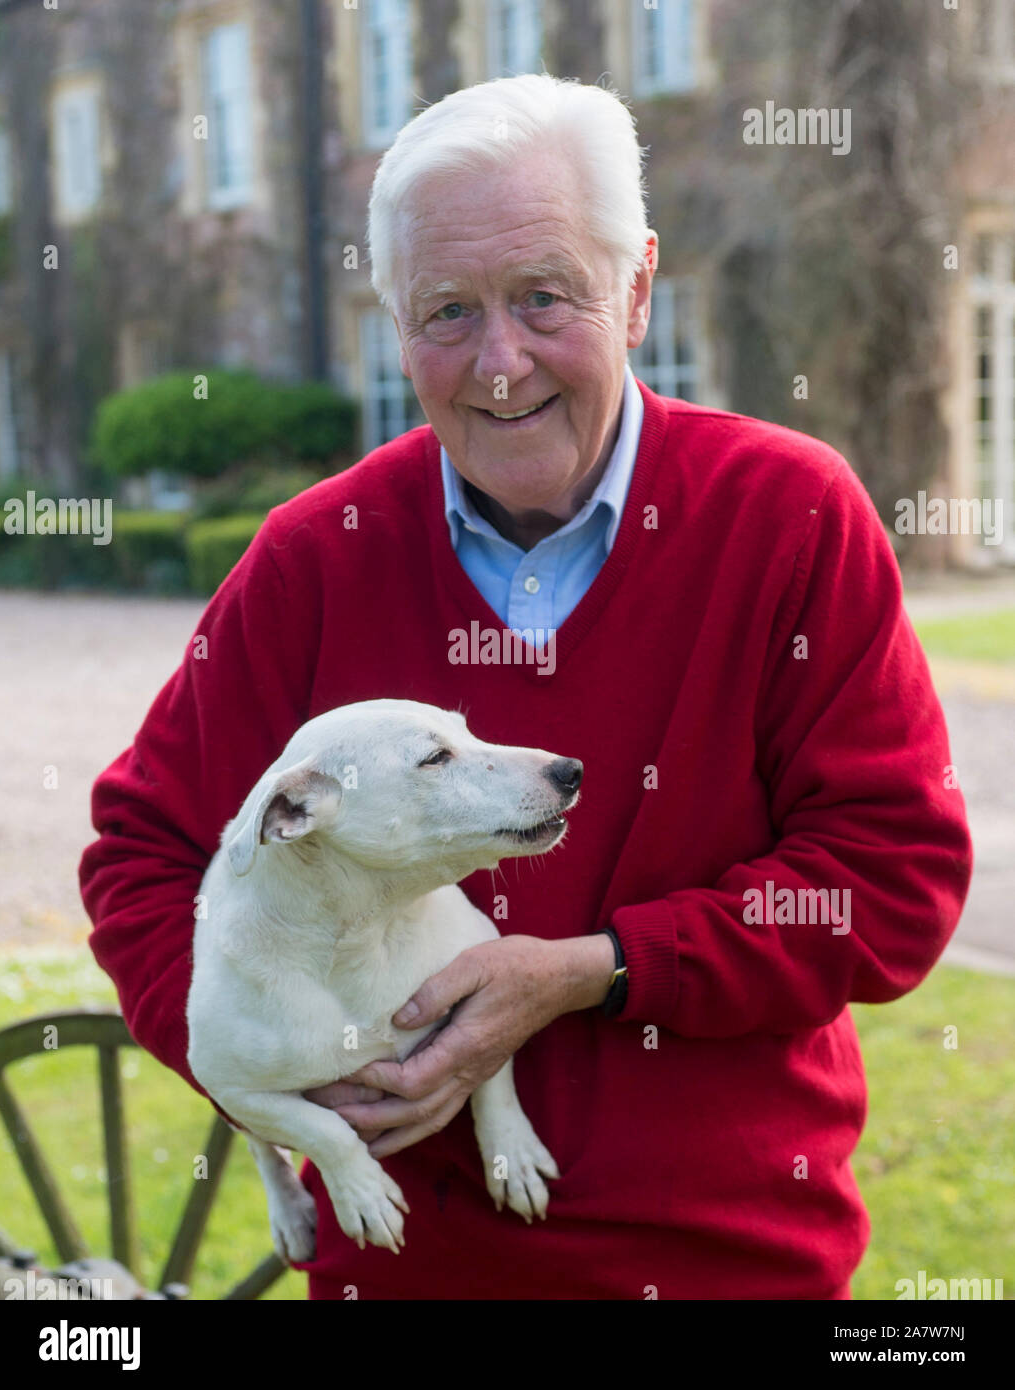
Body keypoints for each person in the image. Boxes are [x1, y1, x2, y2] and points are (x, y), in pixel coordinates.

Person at [80, 73, 973, 1300]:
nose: (500, 363)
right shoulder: (313, 559)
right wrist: (263, 1060)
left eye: (545, 297)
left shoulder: (791, 520)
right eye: (446, 311)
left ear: (640, 288)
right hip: (409, 1278)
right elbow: (143, 849)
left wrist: (593, 969)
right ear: (393, 328)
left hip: (730, 1270)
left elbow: (891, 878)